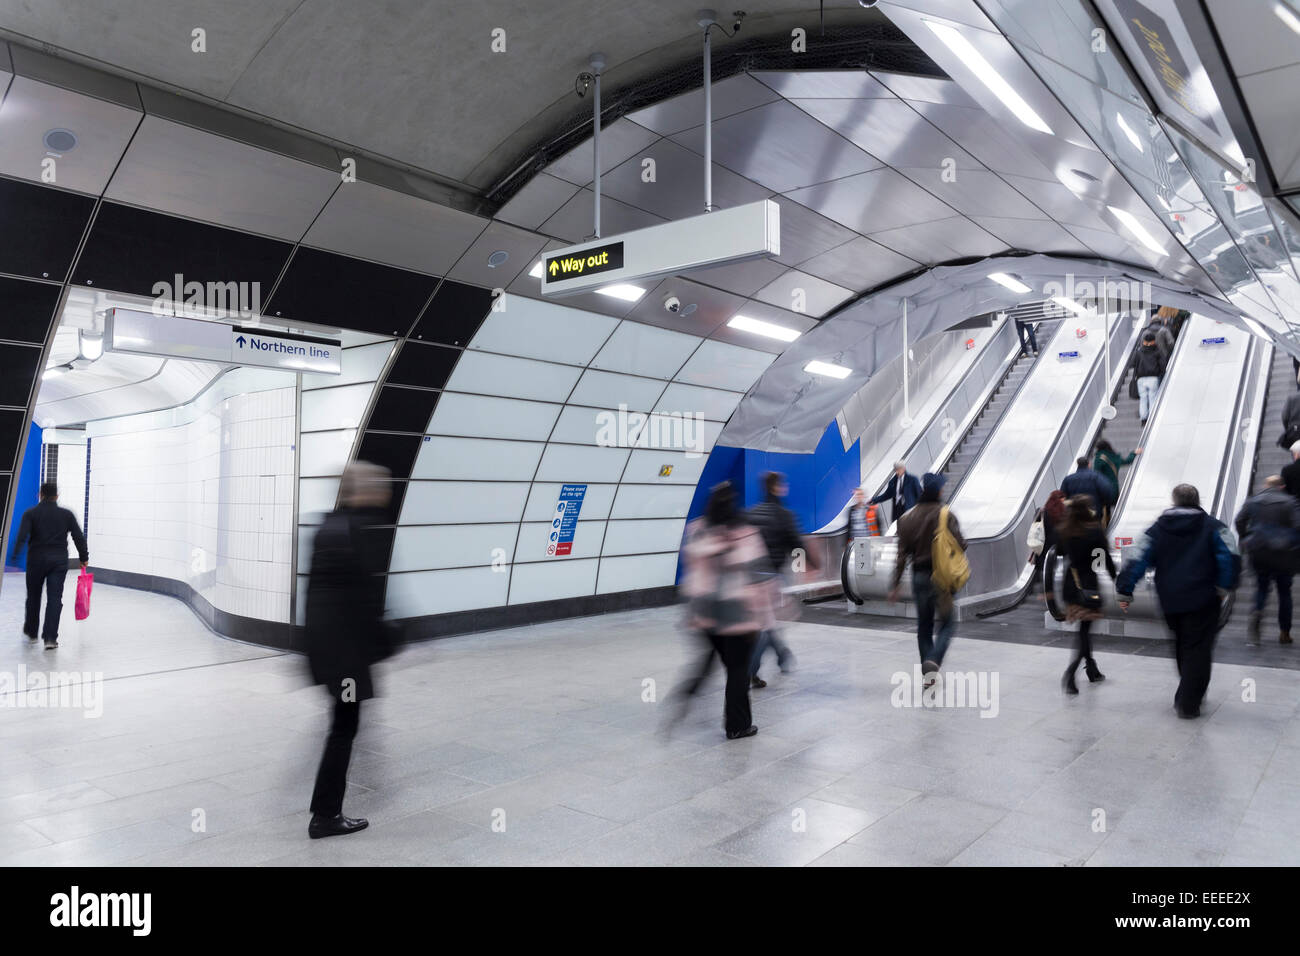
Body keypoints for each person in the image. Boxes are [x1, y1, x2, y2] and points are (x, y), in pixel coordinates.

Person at [304, 461, 396, 839]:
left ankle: (324, 809)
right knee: (343, 729)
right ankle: (325, 815)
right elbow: (365, 600)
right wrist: (389, 639)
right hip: (346, 654)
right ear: (364, 490)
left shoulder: (328, 526)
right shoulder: (357, 532)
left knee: (342, 726)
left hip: (329, 649)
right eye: (379, 484)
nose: (384, 491)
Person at [1116, 484, 1240, 719]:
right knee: (1199, 648)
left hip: (1170, 599)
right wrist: (1225, 586)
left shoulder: (1157, 530)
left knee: (1183, 644)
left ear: (1174, 501)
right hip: (1204, 599)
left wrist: (1125, 589)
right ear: (1197, 500)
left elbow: (1137, 557)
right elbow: (1230, 557)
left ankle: (1190, 689)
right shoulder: (1215, 528)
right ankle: (1188, 701)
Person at [680, 481, 771, 740]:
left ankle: (689, 690)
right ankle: (738, 725)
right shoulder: (742, 532)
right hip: (737, 615)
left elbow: (693, 572)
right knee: (738, 670)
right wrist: (762, 614)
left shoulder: (697, 530)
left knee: (721, 663)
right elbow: (755, 575)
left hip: (706, 615)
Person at [888, 472, 967, 686]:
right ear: (939, 491)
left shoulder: (905, 519)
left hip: (918, 578)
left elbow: (901, 556)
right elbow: (962, 543)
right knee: (948, 623)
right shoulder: (945, 514)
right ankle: (933, 659)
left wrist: (894, 585)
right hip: (940, 577)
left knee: (924, 626)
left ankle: (928, 677)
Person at [746, 471, 818, 687]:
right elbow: (797, 544)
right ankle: (750, 669)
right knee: (767, 625)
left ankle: (782, 656)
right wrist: (812, 565)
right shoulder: (784, 515)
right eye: (782, 484)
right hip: (772, 578)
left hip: (750, 578)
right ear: (776, 488)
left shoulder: (752, 514)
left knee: (764, 623)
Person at [12, 482, 88, 649]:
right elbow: (78, 537)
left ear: (40, 494)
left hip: (36, 561)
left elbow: (22, 536)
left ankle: (32, 633)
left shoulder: (30, 513)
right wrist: (84, 557)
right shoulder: (66, 515)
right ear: (56, 496)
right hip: (58, 562)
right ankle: (50, 638)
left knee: (33, 597)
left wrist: (15, 555)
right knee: (55, 599)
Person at [1057, 495, 1116, 694]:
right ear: (1088, 510)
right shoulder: (1094, 531)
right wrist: (1116, 578)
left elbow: (1059, 552)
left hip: (1071, 584)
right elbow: (1102, 560)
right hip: (1088, 585)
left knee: (1084, 631)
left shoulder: (1065, 530)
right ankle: (1071, 673)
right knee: (1084, 632)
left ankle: (1092, 669)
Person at [1233, 475, 1300, 645]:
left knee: (1261, 588)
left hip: (1259, 552)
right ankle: (1284, 632)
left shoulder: (1253, 501)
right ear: (1282, 486)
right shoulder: (1290, 502)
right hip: (1284, 553)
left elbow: (1239, 520)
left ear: (1266, 485)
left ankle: (1257, 612)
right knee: (1284, 593)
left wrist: (1247, 537)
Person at [1092, 438, 1141, 516]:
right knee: (1112, 505)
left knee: (1103, 508)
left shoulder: (1099, 457)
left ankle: (1106, 524)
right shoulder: (1114, 456)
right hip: (1113, 487)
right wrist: (1134, 453)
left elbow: (1096, 473)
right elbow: (1127, 461)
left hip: (1102, 487)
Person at [1128, 330, 1167, 425]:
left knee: (1143, 399)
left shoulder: (1139, 351)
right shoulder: (1157, 351)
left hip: (1141, 379)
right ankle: (1152, 418)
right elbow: (1162, 365)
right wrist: (1163, 375)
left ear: (1144, 341)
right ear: (1154, 340)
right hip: (1153, 378)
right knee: (1152, 398)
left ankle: (1143, 419)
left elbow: (1132, 364)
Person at [1061, 457, 1115, 522]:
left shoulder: (1068, 479)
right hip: (1094, 513)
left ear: (1078, 465)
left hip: (1075, 515)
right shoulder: (1096, 476)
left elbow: (1062, 497)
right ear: (1089, 464)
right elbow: (1107, 490)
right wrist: (1104, 503)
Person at [870, 461, 921, 526]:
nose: (897, 472)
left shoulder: (912, 479)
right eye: (895, 470)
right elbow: (886, 495)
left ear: (903, 468)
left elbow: (919, 494)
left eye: (898, 469)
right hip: (897, 511)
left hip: (909, 510)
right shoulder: (893, 482)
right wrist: (874, 500)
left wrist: (919, 510)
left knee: (910, 529)